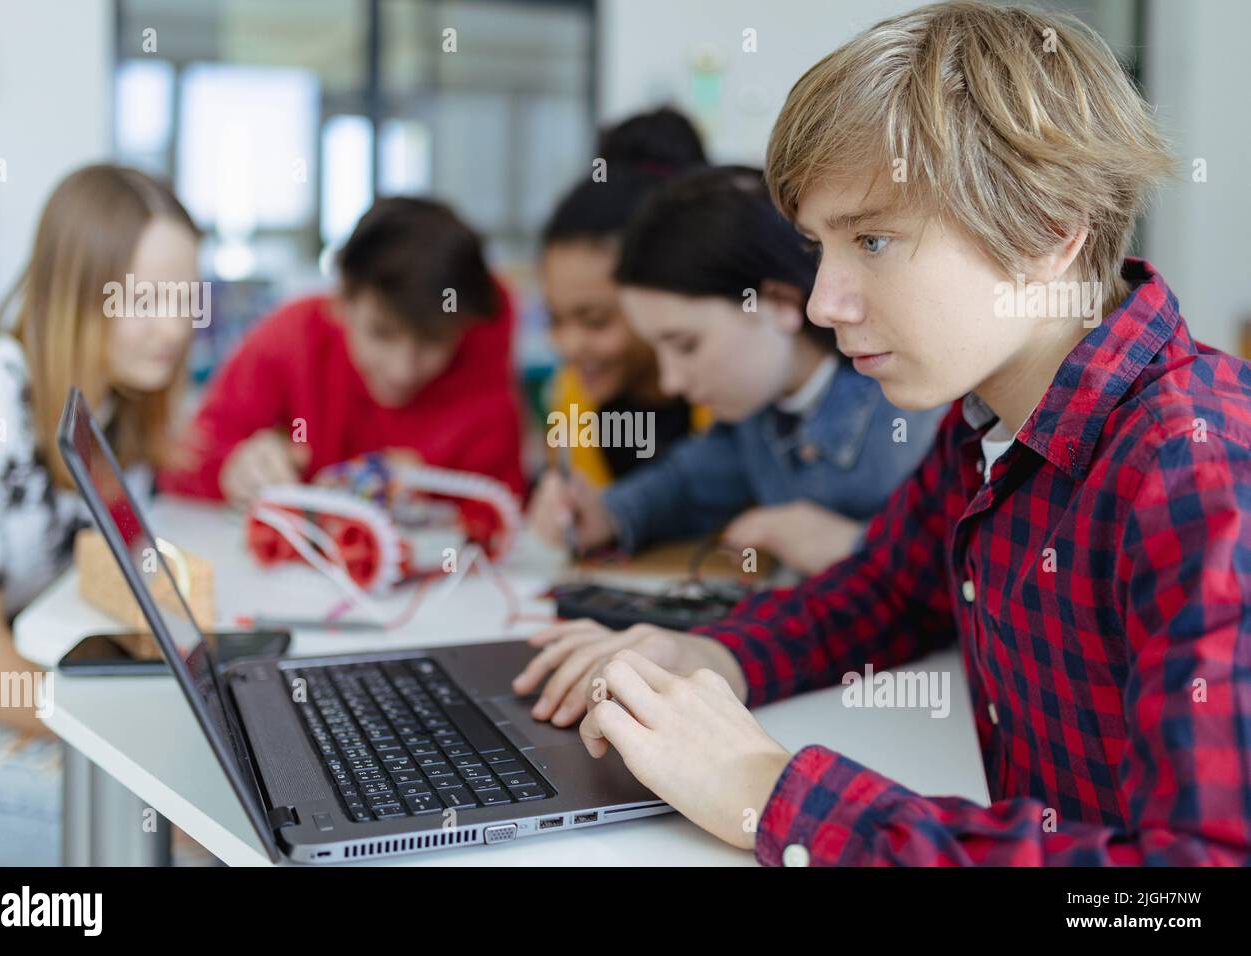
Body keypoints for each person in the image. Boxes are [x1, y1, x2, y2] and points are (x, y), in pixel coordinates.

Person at [513, 1, 1251, 865]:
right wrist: (711, 653)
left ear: (1048, 233)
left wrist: (768, 793)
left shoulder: (1201, 474)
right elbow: (886, 594)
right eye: (819, 249)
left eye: (871, 240)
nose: (825, 304)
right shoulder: (990, 424)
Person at [0, 164, 200, 865]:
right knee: (180, 832)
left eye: (185, 298)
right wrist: (136, 741)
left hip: (7, 688)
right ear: (78, 293)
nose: (175, 328)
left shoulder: (116, 403)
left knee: (210, 799)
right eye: (146, 300)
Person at [530, 166, 944, 574]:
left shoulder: (917, 413)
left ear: (779, 301)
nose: (672, 381)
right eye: (658, 350)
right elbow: (685, 485)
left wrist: (853, 547)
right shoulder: (755, 421)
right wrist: (605, 515)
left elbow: (963, 565)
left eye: (686, 345)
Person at [160, 197, 525, 505]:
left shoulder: (483, 359)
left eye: (434, 341)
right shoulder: (290, 340)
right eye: (381, 333)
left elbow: (505, 511)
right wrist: (230, 470)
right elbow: (181, 466)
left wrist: (433, 491)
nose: (403, 370)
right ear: (342, 302)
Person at [531, 107, 711, 496]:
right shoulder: (573, 400)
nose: (568, 345)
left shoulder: (729, 401)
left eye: (595, 321)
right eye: (554, 319)